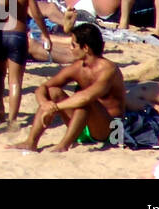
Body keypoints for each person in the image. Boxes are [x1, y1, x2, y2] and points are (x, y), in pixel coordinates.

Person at [10, 24, 125, 152]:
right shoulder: (78, 67)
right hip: (82, 125)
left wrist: (56, 107)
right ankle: (31, 142)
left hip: (110, 129)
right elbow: (42, 87)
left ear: (85, 48)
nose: (70, 49)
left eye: (73, 45)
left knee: (86, 101)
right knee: (53, 92)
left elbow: (86, 97)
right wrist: (45, 104)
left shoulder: (108, 70)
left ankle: (63, 145)